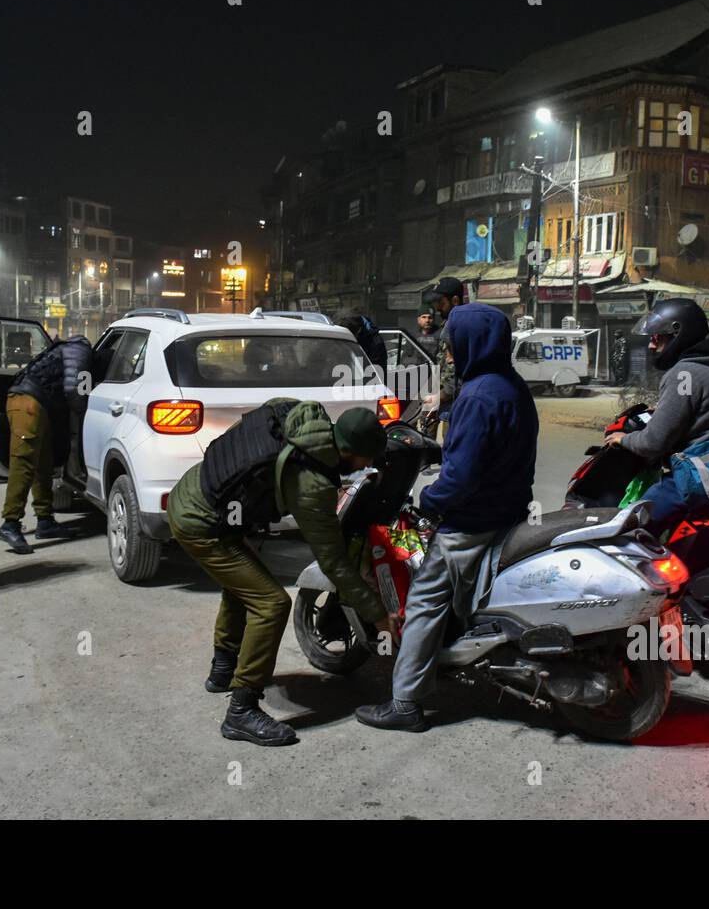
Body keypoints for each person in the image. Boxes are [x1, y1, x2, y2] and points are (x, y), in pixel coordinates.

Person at [167, 401, 397, 747]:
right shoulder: (314, 483)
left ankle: (222, 670)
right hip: (201, 523)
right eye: (367, 461)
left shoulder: (298, 415)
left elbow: (237, 437)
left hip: (199, 491)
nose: (366, 467)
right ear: (351, 452)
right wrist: (379, 616)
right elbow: (333, 562)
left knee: (245, 583)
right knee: (271, 603)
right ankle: (242, 710)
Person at [356, 303, 538, 732]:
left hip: (471, 521)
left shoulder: (477, 397)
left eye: (454, 344)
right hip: (509, 511)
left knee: (424, 598)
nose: (450, 352)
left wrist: (429, 498)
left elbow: (459, 479)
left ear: (472, 344)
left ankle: (405, 703)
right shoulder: (511, 386)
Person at [604, 298, 709, 537]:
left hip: (696, 478)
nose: (651, 345)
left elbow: (653, 443)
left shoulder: (684, 373)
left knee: (629, 531)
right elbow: (705, 413)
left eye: (657, 338)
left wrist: (623, 439)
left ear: (678, 334)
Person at [0, 334, 95, 554]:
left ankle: (45, 520)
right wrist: (84, 414)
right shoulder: (81, 351)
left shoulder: (62, 349)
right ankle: (10, 523)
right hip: (28, 404)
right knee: (24, 464)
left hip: (35, 404)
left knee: (43, 465)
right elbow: (74, 388)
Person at [420, 277, 466, 437]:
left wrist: (440, 396)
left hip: (455, 401)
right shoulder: (448, 324)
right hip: (445, 399)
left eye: (440, 302)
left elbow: (455, 371)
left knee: (452, 444)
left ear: (454, 300)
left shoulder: (458, 326)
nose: (437, 307)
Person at [335, 312, 387, 379]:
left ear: (359, 330)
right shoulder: (348, 326)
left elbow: (377, 370)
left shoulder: (375, 342)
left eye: (352, 336)